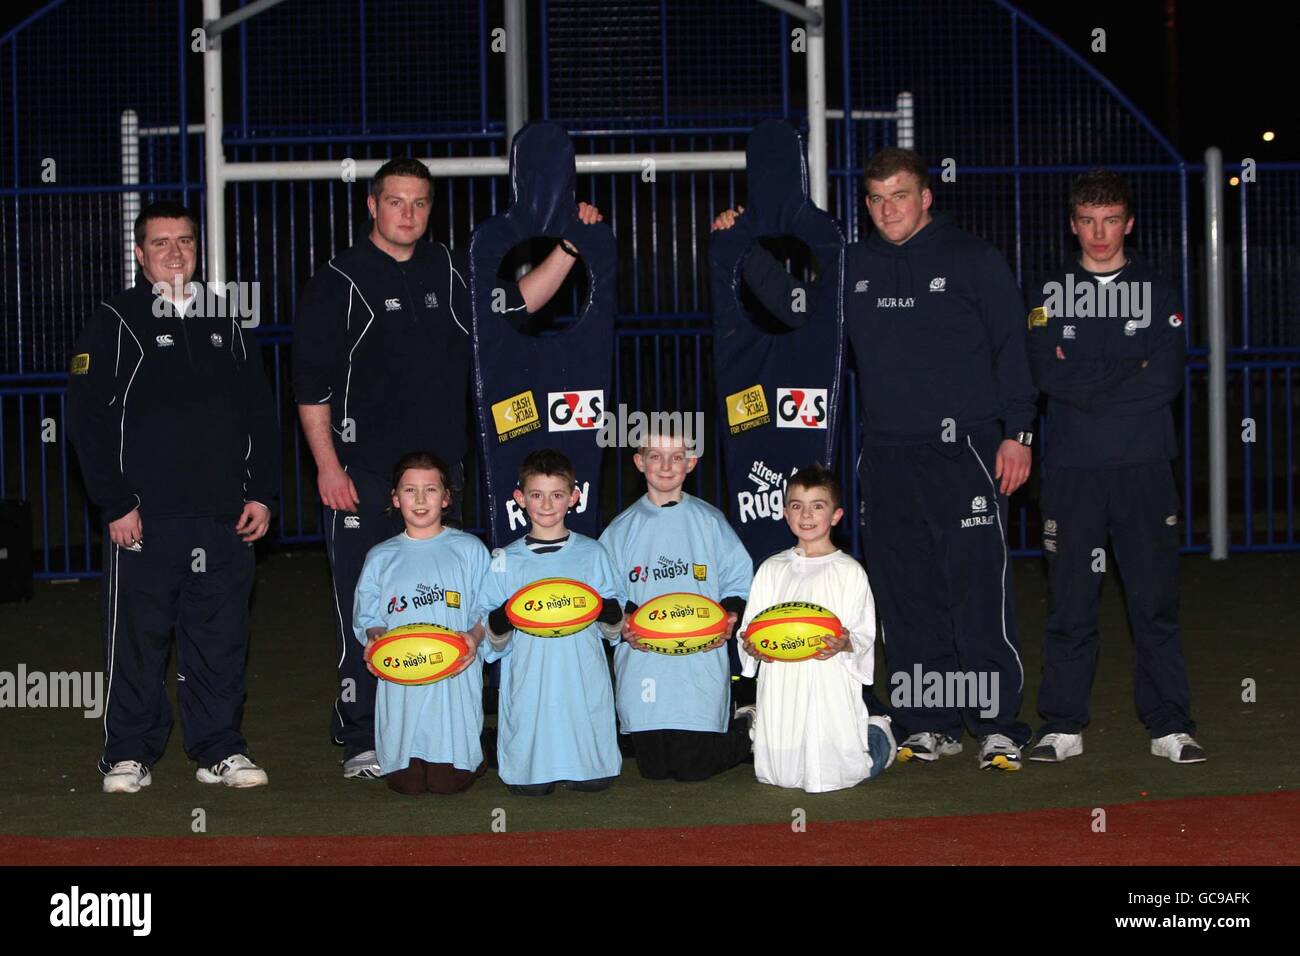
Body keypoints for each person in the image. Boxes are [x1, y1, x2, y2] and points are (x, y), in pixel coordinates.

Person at [714, 146, 1036, 771]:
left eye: (901, 196)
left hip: (967, 447)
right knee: (905, 593)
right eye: (877, 198)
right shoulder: (852, 265)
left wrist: (1019, 431)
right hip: (888, 452)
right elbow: (795, 307)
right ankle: (927, 723)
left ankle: (998, 725)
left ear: (926, 197)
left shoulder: (973, 259)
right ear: (866, 204)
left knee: (975, 588)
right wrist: (743, 248)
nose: (889, 209)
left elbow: (1010, 345)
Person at [292, 157, 601, 778]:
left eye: (421, 203)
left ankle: (448, 724)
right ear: (372, 206)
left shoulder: (452, 272)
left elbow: (518, 304)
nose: (409, 213)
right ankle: (361, 734)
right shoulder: (339, 280)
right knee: (370, 607)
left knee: (449, 605)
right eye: (397, 201)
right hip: (366, 476)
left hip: (442, 478)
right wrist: (328, 467)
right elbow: (311, 389)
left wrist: (569, 248)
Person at [67, 201, 279, 793]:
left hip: (222, 518)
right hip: (146, 519)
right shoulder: (115, 319)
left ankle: (219, 750)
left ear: (198, 248)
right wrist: (114, 503)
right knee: (139, 641)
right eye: (160, 243)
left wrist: (261, 491)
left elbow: (259, 413)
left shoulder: (229, 319)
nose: (174, 253)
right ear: (139, 254)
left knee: (220, 639)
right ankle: (127, 754)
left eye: (184, 241)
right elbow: (88, 421)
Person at [1025, 170, 1203, 764]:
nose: (1099, 235)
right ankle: (1063, 726)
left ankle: (1170, 726)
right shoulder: (1049, 289)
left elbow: (1168, 377)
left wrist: (1089, 384)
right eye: (1087, 221)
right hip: (1074, 472)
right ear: (1073, 224)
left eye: (1110, 221)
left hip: (1145, 468)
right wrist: (1126, 372)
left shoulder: (1159, 287)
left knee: (1153, 603)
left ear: (1128, 222)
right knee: (1072, 601)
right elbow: (1047, 374)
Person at [599, 426, 755, 781]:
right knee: (653, 769)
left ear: (691, 463)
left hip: (698, 662)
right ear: (639, 462)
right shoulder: (621, 530)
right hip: (645, 663)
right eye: (655, 456)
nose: (666, 466)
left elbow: (739, 581)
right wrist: (622, 627)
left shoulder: (711, 522)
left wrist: (730, 618)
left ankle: (749, 727)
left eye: (676, 457)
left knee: (691, 766)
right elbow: (605, 595)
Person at [737, 464, 896, 792]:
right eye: (797, 505)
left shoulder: (849, 572)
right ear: (785, 513)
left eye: (817, 506)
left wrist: (845, 644)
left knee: (840, 775)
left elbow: (863, 633)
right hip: (781, 681)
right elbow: (751, 628)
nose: (806, 515)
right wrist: (751, 646)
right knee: (778, 776)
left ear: (836, 516)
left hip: (829, 682)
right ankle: (761, 723)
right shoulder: (771, 569)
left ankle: (878, 733)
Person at [478, 449, 625, 795]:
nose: (547, 505)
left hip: (581, 676)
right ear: (520, 498)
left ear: (574, 497)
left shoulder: (593, 554)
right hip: (531, 680)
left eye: (557, 495)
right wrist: (504, 617)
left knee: (593, 782)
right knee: (529, 787)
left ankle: (587, 759)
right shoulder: (504, 560)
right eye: (537, 495)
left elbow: (614, 630)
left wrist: (606, 610)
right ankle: (526, 759)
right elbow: (491, 639)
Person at [353, 451, 493, 794]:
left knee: (449, 782)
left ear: (446, 498)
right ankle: (401, 750)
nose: (419, 499)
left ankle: (472, 750)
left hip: (453, 679)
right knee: (407, 783)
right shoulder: (381, 557)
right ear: (395, 499)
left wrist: (473, 638)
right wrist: (376, 639)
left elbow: (487, 608)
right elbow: (369, 616)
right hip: (403, 679)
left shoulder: (469, 550)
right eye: (409, 490)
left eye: (430, 490)